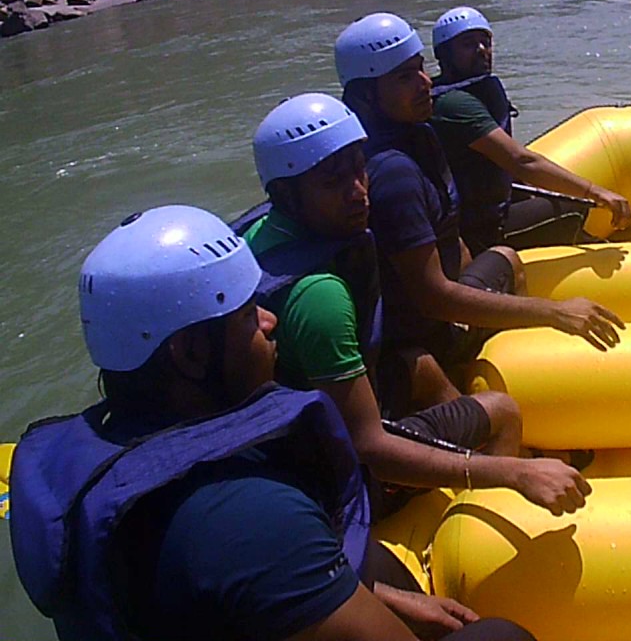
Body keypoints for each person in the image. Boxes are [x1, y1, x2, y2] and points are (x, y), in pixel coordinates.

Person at [9, 205, 535, 641]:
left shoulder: (102, 451)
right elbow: (247, 547)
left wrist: (372, 595)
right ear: (191, 353)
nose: (269, 321)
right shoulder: (245, 513)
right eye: (246, 315)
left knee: (374, 567)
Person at [243, 92, 590, 517]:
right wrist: (507, 472)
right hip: (335, 473)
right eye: (333, 182)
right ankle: (488, 523)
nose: (357, 193)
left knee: (418, 364)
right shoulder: (320, 296)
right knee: (502, 410)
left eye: (359, 170)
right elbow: (369, 447)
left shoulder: (259, 237)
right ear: (287, 194)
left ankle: (468, 455)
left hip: (301, 419)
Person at [334, 13, 625, 379]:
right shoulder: (394, 172)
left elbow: (448, 232)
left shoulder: (409, 137)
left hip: (437, 291)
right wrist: (553, 311)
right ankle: (513, 371)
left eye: (420, 69)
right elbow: (433, 298)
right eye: (404, 77)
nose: (423, 84)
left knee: (498, 257)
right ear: (365, 95)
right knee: (508, 256)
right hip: (429, 330)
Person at [429, 5, 631, 252]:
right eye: (468, 44)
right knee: (575, 206)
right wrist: (594, 191)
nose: (482, 50)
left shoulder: (465, 91)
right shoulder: (454, 104)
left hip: (483, 210)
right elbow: (521, 161)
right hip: (479, 230)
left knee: (539, 196)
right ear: (444, 55)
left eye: (485, 41)